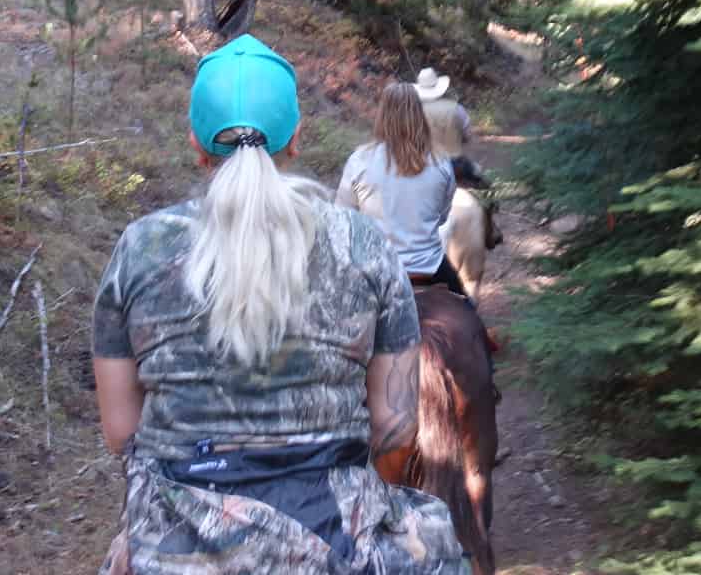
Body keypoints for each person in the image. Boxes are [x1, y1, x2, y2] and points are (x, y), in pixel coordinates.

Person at [91, 35, 468, 574]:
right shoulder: (365, 245)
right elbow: (396, 427)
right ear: (295, 138)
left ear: (196, 144)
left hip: (174, 544)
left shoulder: (139, 248)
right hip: (337, 535)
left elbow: (121, 432)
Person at [338, 83, 467, 297]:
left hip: (375, 269)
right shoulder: (441, 161)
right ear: (419, 113)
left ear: (382, 114)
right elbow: (442, 216)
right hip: (429, 269)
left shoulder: (360, 160)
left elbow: (343, 217)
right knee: (465, 305)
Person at [413, 67, 489, 189]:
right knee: (483, 182)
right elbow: (468, 136)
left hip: (424, 165)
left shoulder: (413, 113)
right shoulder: (457, 108)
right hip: (454, 162)